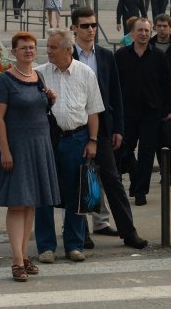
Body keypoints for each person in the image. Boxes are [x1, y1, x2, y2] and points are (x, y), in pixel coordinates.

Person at [70, 7, 148, 250]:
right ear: (74, 28)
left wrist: (118, 128)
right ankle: (81, 233)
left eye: (93, 25)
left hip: (103, 127)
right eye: (85, 26)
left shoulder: (104, 56)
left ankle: (129, 232)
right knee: (83, 181)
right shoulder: (67, 54)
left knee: (112, 181)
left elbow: (116, 93)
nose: (90, 30)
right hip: (75, 127)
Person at [0, 32, 60, 282]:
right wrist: (6, 150)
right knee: (17, 203)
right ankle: (16, 261)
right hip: (17, 147)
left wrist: (49, 100)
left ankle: (24, 255)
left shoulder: (38, 76)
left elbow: (38, 108)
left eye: (32, 48)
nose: (29, 51)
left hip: (39, 146)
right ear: (13, 52)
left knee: (31, 202)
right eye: (23, 48)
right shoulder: (4, 80)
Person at [34, 29, 104, 264]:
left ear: (67, 49)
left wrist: (93, 141)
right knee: (44, 192)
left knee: (77, 191)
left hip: (77, 139)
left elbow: (93, 110)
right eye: (48, 47)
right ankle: (46, 246)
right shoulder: (39, 74)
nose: (48, 51)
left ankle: (74, 244)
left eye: (53, 47)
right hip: (47, 141)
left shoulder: (85, 73)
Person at [115, 17, 169, 206]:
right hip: (127, 112)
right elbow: (115, 86)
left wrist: (165, 110)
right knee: (125, 150)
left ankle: (140, 191)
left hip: (151, 112)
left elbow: (165, 84)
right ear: (132, 33)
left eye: (147, 31)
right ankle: (135, 177)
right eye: (140, 30)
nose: (144, 34)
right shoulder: (121, 56)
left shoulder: (158, 57)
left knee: (146, 153)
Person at [151, 14, 171, 186]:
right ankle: (164, 172)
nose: (162, 29)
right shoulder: (149, 45)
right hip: (154, 100)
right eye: (159, 25)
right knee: (158, 140)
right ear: (155, 27)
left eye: (165, 26)